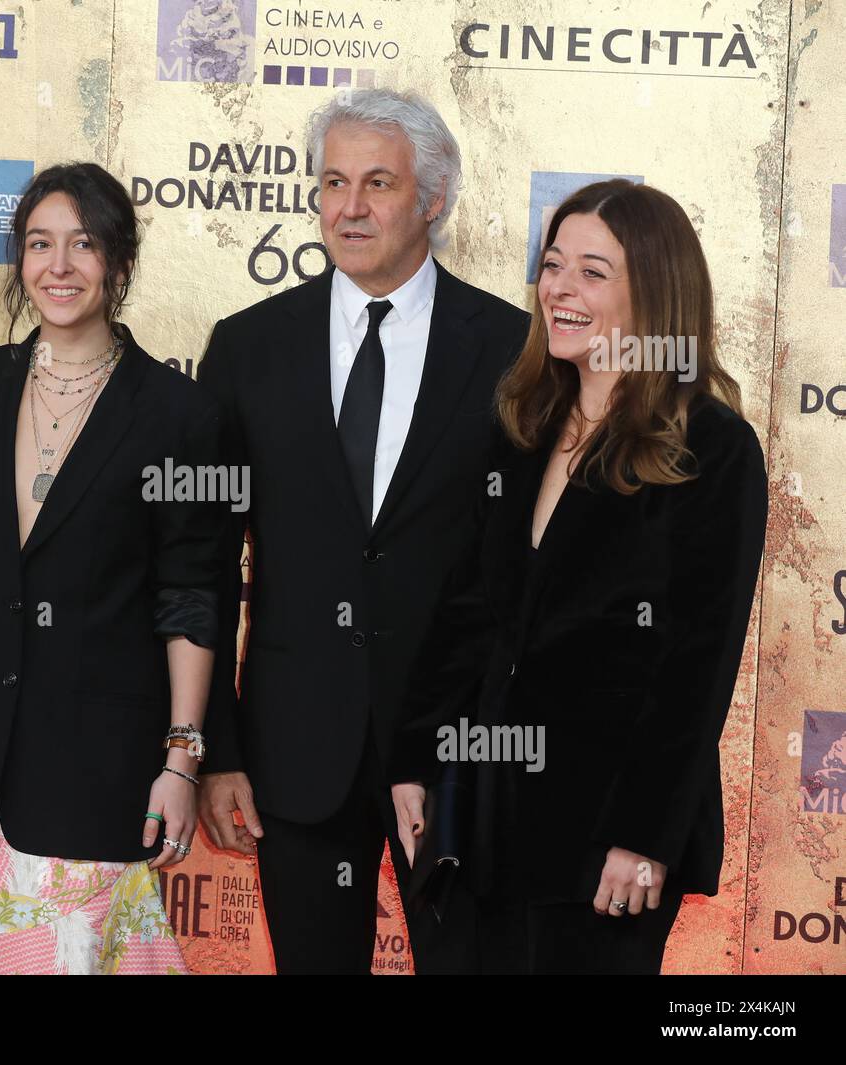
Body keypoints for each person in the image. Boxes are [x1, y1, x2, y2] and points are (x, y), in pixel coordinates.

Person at [391, 179, 768, 973]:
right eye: (553, 264)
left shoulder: (712, 448)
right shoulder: (524, 424)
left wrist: (644, 836)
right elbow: (470, 613)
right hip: (484, 824)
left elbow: (697, 667)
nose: (559, 288)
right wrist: (415, 761)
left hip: (606, 842)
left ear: (654, 291)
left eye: (593, 272)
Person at [195, 87, 529, 974]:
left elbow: (523, 575)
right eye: (332, 182)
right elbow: (204, 562)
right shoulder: (247, 347)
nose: (348, 207)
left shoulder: (514, 353)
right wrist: (217, 750)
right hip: (293, 752)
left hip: (460, 754)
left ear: (435, 198)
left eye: (378, 183)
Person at [0, 162, 223, 975]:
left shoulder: (178, 413)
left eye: (84, 244)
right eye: (40, 244)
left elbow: (192, 596)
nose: (60, 265)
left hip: (97, 764)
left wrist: (180, 758)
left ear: (119, 260)